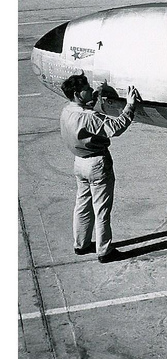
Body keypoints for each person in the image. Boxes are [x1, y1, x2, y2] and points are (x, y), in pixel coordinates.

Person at [59, 75, 140, 263]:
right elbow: (116, 127)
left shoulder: (67, 111)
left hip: (79, 162)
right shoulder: (89, 117)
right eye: (86, 88)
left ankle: (81, 243)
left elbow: (85, 108)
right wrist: (130, 105)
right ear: (78, 94)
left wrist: (96, 94)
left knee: (82, 205)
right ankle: (104, 250)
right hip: (97, 164)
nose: (90, 90)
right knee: (101, 208)